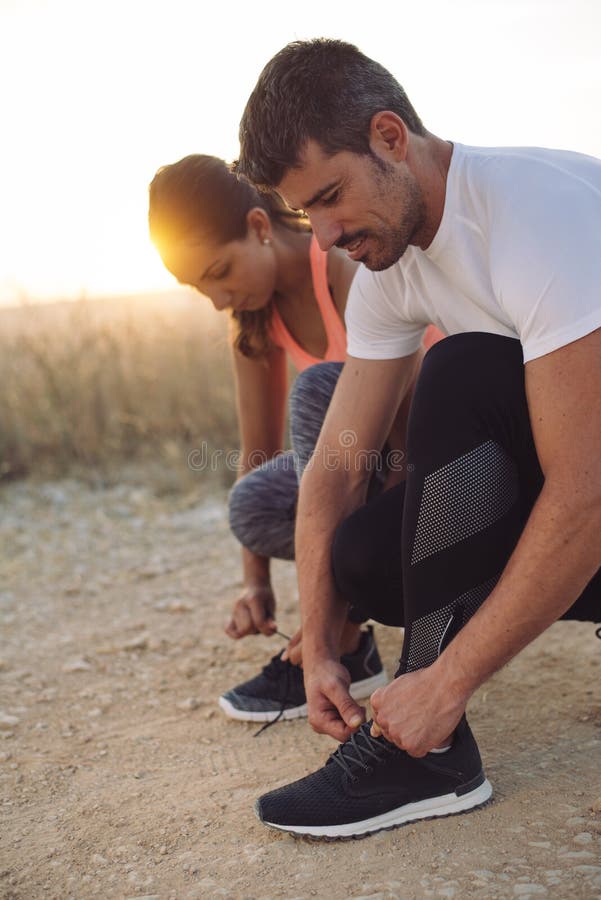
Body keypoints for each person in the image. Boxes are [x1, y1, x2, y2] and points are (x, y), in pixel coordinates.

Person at [237, 38, 601, 839]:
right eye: (307, 215)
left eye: (331, 196)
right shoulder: (387, 264)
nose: (324, 238)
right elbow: (333, 470)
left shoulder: (536, 212)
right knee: (361, 555)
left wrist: (447, 681)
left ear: (390, 138)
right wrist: (322, 646)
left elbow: (586, 493)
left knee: (463, 370)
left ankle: (428, 755)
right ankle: (415, 715)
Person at [148, 154, 431, 723]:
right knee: (251, 502)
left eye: (219, 273)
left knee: (322, 391)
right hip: (366, 476)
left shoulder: (346, 270)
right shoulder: (254, 322)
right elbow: (255, 456)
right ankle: (345, 642)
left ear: (258, 227)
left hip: (437, 464)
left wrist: (329, 622)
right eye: (200, 289)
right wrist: (256, 585)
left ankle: (343, 645)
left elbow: (406, 449)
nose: (219, 300)